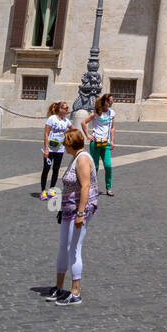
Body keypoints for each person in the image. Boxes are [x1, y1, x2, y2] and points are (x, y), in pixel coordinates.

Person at [46, 126, 98, 305]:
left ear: (70, 144)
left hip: (79, 210)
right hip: (68, 209)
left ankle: (75, 291)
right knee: (63, 246)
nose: (63, 145)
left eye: (65, 142)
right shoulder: (75, 157)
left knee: (74, 248)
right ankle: (59, 286)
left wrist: (80, 213)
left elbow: (85, 186)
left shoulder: (82, 159)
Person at [81, 93, 116, 196]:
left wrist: (112, 141)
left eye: (112, 100)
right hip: (95, 143)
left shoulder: (112, 113)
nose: (112, 102)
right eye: (110, 100)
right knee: (95, 167)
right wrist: (88, 135)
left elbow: (112, 128)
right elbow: (83, 122)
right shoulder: (96, 113)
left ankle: (108, 187)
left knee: (108, 166)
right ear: (105, 101)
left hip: (106, 143)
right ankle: (92, 187)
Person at [41, 101, 71, 200]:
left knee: (56, 169)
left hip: (60, 149)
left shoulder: (66, 121)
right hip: (50, 148)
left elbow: (73, 129)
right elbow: (46, 134)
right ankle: (43, 191)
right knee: (46, 169)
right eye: (66, 108)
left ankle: (52, 189)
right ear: (60, 109)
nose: (67, 110)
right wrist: (46, 149)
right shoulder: (52, 119)